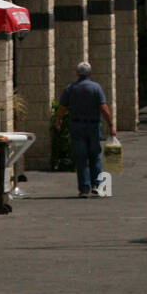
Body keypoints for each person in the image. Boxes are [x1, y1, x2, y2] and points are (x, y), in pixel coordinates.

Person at [55, 61, 116, 198]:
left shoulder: (70, 88)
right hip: (93, 126)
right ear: (90, 73)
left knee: (80, 157)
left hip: (77, 126)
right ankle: (97, 186)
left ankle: (84, 188)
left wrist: (58, 120)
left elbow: (62, 108)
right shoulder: (96, 88)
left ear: (77, 73)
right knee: (95, 155)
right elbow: (104, 108)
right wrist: (111, 125)